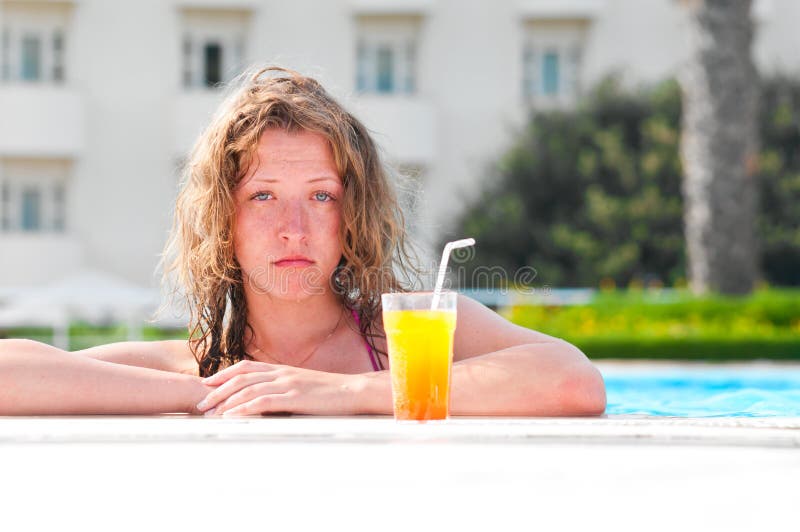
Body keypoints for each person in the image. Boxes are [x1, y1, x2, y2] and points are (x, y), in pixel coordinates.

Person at [0, 67, 605, 417]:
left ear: (352, 214)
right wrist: (210, 391)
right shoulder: (198, 365)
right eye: (264, 196)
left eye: (320, 196)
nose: (295, 227)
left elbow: (573, 381)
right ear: (223, 220)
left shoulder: (409, 333)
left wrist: (345, 392)